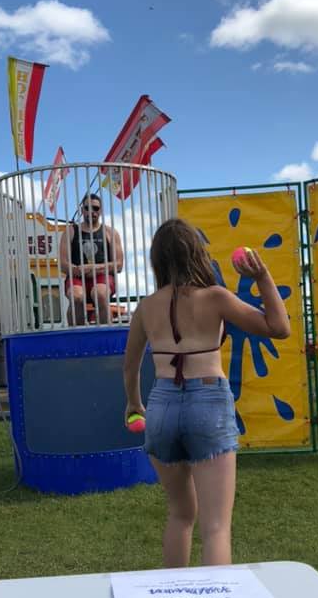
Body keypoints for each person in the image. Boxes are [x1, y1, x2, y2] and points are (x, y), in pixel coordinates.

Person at [123, 219, 290, 569]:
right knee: (216, 528)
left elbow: (130, 366)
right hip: (208, 402)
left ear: (157, 260)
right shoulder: (215, 297)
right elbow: (280, 328)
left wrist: (134, 404)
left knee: (180, 515)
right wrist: (262, 277)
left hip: (161, 405)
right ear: (197, 255)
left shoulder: (146, 306)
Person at [59, 193, 124, 326]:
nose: (91, 211)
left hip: (102, 277)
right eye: (87, 208)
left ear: (100, 211)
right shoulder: (71, 231)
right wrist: (78, 270)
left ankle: (105, 335)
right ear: (82, 210)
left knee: (100, 294)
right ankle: (78, 337)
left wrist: (93, 268)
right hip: (77, 277)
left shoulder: (110, 232)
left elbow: (119, 265)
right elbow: (63, 264)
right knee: (76, 297)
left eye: (95, 208)